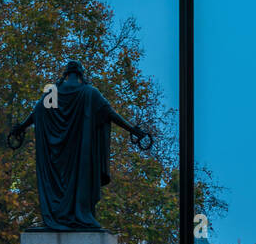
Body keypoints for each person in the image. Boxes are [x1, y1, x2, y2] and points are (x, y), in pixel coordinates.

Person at [8, 60, 151, 231]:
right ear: (82, 74)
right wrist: (134, 131)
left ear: (66, 74)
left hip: (57, 156)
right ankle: (79, 216)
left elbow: (37, 113)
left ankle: (59, 217)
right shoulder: (90, 93)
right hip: (80, 155)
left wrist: (21, 128)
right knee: (80, 184)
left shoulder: (53, 93)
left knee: (57, 187)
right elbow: (111, 114)